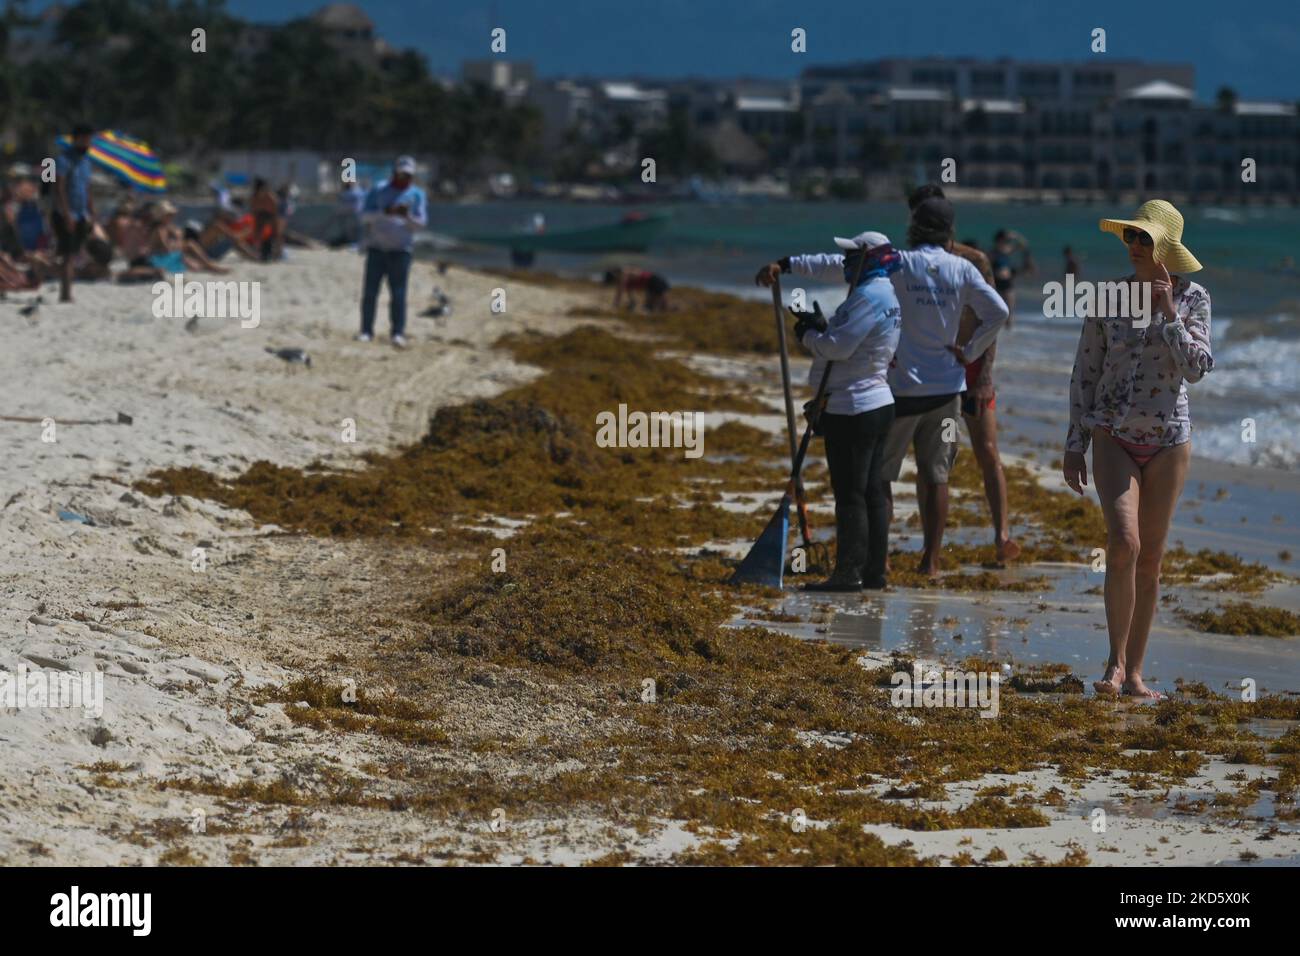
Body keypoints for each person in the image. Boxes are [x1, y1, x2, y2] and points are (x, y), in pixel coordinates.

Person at [757, 194, 1009, 577]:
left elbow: (840, 267)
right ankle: (931, 561)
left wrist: (788, 264)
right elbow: (999, 312)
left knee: (881, 477)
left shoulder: (899, 264)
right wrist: (970, 352)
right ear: (950, 233)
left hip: (902, 391)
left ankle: (881, 560)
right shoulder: (963, 270)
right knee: (937, 475)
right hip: (946, 393)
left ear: (912, 227)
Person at [1063, 200, 1213, 699]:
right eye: (1130, 237)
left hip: (1170, 439)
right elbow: (1085, 372)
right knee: (1123, 543)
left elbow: (1197, 368)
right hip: (1113, 435)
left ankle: (1135, 674)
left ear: (1166, 247)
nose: (1133, 246)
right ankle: (1113, 662)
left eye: (1143, 239)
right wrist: (1074, 442)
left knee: (1150, 559)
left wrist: (1170, 314)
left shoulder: (1194, 299)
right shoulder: (1108, 298)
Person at [787, 231, 903, 591]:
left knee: (850, 493)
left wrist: (807, 334)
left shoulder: (868, 297)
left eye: (853, 254)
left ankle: (848, 574)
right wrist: (823, 326)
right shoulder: (884, 294)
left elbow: (837, 349)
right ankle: (873, 573)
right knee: (870, 492)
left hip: (854, 407)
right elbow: (852, 340)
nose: (846, 261)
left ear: (869, 258)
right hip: (877, 402)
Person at [358, 156, 428, 348]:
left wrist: (406, 216)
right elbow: (364, 216)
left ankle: (397, 332)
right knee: (370, 292)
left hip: (401, 251)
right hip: (377, 248)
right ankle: (366, 330)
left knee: (398, 294)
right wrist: (385, 212)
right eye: (401, 174)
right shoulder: (379, 190)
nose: (404, 178)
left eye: (408, 175)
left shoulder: (417, 194)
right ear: (394, 173)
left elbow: (421, 224)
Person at [52, 123, 96, 302]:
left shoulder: (86, 162)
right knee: (68, 255)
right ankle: (65, 294)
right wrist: (67, 214)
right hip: (65, 214)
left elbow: (86, 188)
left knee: (72, 254)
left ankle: (63, 288)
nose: (88, 143)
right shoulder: (62, 159)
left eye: (89, 139)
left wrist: (92, 212)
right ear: (76, 139)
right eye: (85, 139)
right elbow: (58, 187)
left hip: (81, 213)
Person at [991, 228, 1029, 324]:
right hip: (996, 282)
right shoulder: (993, 253)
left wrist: (1015, 235)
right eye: (1004, 240)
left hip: (1007, 282)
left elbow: (1024, 244)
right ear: (998, 240)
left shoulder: (1007, 250)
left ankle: (1009, 337)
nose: (1005, 242)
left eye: (1006, 240)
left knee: (1010, 312)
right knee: (998, 311)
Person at [606, 267, 671, 312]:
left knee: (663, 306)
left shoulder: (624, 274)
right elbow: (629, 292)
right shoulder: (626, 277)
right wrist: (632, 302)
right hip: (649, 285)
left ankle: (673, 308)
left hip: (654, 281)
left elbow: (619, 293)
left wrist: (615, 305)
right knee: (650, 307)